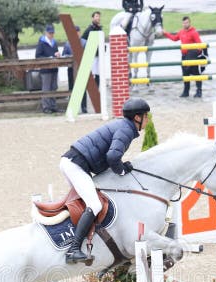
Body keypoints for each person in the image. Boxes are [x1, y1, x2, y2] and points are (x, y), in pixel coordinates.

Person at [59, 98, 151, 263]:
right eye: (146, 116)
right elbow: (113, 156)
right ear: (137, 118)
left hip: (72, 161)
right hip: (76, 165)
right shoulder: (127, 130)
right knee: (94, 205)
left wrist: (122, 166)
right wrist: (122, 170)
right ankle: (73, 250)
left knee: (85, 203)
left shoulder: (123, 126)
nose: (148, 119)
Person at [163, 16, 204, 98]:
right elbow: (174, 38)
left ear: (190, 23)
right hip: (184, 56)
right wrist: (165, 33)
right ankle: (186, 92)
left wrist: (193, 54)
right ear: (182, 23)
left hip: (192, 57)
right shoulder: (181, 32)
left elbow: (200, 45)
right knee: (185, 74)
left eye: (187, 22)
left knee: (196, 74)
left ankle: (199, 91)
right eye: (184, 23)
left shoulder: (194, 32)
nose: (185, 24)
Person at [35, 24, 60, 114]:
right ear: (46, 33)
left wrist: (57, 55)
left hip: (54, 68)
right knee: (46, 88)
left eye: (53, 33)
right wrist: (50, 57)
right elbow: (38, 56)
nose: (51, 35)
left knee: (54, 87)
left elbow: (55, 52)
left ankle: (53, 106)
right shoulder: (41, 42)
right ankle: (46, 106)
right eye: (50, 33)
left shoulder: (54, 42)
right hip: (45, 69)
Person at [62, 26, 88, 113]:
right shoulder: (67, 44)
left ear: (79, 33)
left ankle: (84, 107)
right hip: (71, 69)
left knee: (83, 89)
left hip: (81, 68)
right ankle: (73, 108)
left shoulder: (84, 42)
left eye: (78, 32)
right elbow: (64, 55)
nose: (76, 34)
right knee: (72, 88)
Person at [82, 12, 103, 86]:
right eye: (96, 16)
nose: (98, 18)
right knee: (93, 73)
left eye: (99, 16)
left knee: (98, 73)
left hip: (99, 54)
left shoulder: (100, 28)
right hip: (92, 56)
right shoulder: (89, 29)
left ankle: (97, 89)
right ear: (92, 18)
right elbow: (82, 40)